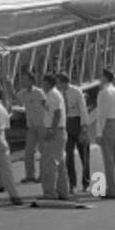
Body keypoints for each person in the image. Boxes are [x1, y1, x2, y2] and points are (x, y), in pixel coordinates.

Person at [95, 67, 115, 199]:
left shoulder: (103, 93)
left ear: (104, 78)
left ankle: (112, 190)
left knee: (108, 160)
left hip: (109, 125)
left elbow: (101, 115)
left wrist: (98, 134)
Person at [57, 72, 90, 193]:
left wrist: (84, 127)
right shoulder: (58, 93)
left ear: (65, 82)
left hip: (78, 122)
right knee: (69, 155)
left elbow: (83, 109)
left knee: (84, 155)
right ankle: (72, 183)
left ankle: (86, 182)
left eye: (59, 82)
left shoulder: (76, 92)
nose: (57, 85)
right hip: (66, 123)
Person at [39, 72, 68, 200]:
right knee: (59, 163)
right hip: (59, 131)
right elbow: (52, 112)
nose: (42, 86)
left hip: (54, 131)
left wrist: (51, 130)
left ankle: (49, 192)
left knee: (49, 163)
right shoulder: (53, 95)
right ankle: (63, 191)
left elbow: (57, 113)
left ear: (48, 84)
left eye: (44, 83)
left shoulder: (53, 95)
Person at [16, 69, 46, 184]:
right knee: (28, 152)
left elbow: (46, 106)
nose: (23, 82)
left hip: (42, 125)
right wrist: (8, 86)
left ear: (31, 81)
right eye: (22, 79)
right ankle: (30, 175)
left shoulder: (39, 92)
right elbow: (16, 100)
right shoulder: (23, 93)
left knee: (44, 152)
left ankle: (43, 175)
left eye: (25, 79)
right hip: (31, 127)